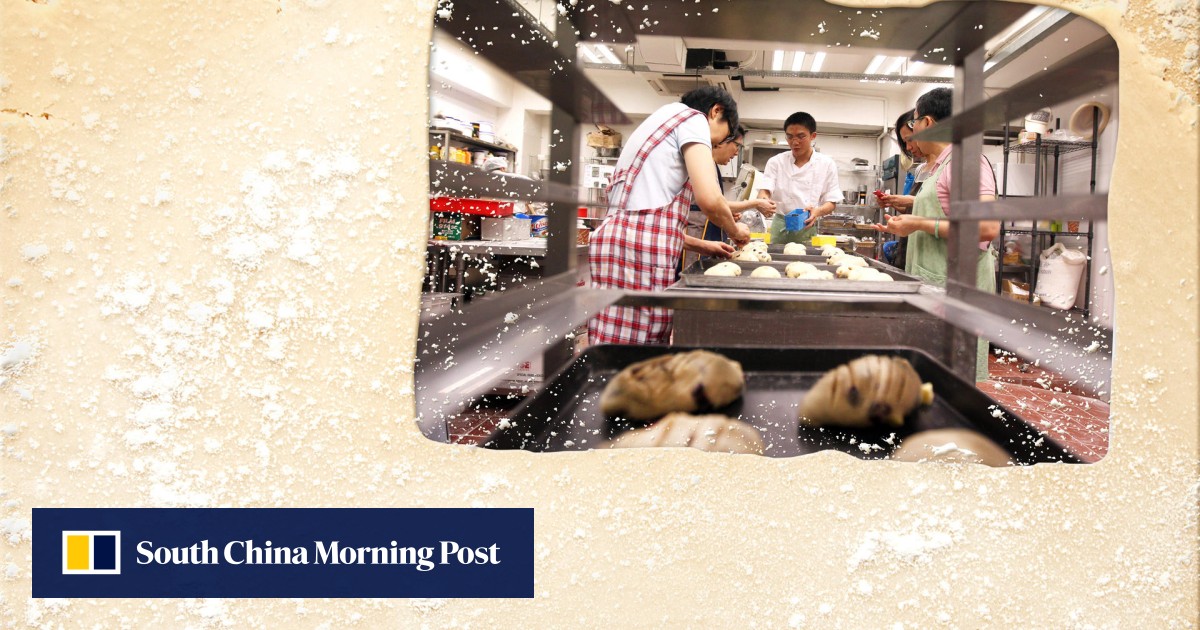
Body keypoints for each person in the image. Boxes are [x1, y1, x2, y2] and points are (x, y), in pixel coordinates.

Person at [588, 86, 751, 345]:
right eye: (726, 134)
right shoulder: (693, 119)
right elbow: (709, 199)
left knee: (612, 341)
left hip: (618, 245)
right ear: (715, 111)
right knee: (640, 350)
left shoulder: (663, 119)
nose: (719, 144)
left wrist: (703, 245)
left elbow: (650, 217)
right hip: (639, 254)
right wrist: (735, 231)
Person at [872, 87, 1000, 382]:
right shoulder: (942, 165)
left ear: (928, 123)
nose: (912, 131)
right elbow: (943, 210)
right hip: (935, 285)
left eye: (914, 122)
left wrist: (918, 224)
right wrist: (912, 217)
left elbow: (987, 227)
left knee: (954, 383)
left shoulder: (966, 164)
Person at [679, 125, 778, 270]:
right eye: (737, 145)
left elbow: (717, 203)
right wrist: (736, 225)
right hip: (697, 233)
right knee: (693, 273)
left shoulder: (711, 166)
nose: (737, 153)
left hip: (707, 233)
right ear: (720, 141)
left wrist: (726, 215)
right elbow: (714, 203)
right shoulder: (701, 165)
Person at [757, 112, 844, 245]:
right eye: (790, 137)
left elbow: (832, 202)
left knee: (806, 264)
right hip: (780, 225)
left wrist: (817, 211)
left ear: (813, 136)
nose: (795, 142)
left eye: (801, 136)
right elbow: (765, 191)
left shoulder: (826, 164)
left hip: (807, 225)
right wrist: (763, 202)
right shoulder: (776, 162)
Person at [878, 109, 928, 268]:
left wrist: (909, 200)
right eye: (904, 142)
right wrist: (894, 203)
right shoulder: (921, 169)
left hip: (929, 251)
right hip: (911, 247)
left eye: (910, 140)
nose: (909, 147)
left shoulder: (955, 166)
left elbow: (937, 209)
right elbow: (919, 210)